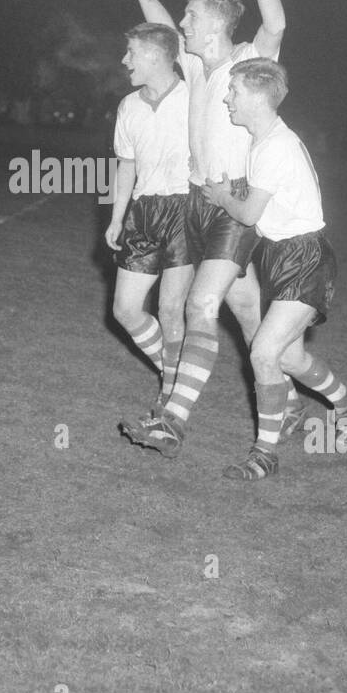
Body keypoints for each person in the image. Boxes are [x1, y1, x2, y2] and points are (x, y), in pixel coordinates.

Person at [118, 0, 300, 458]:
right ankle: (286, 402)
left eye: (191, 17)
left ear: (215, 25)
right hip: (197, 202)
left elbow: (276, 23)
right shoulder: (194, 64)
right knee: (245, 310)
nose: (182, 24)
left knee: (202, 307)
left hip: (232, 202)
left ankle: (172, 420)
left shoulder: (247, 60)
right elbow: (157, 22)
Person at [204, 58, 347, 481]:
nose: (227, 98)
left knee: (262, 351)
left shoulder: (276, 146)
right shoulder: (264, 139)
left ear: (258, 97)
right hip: (282, 257)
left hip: (305, 259)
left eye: (234, 91)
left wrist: (221, 196)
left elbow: (247, 214)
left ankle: (264, 453)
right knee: (290, 357)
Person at [105, 24, 194, 417]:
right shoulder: (129, 106)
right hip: (143, 212)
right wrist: (116, 217)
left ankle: (172, 396)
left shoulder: (195, 98)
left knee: (171, 309)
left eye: (132, 53)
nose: (125, 61)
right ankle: (176, 377)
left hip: (185, 210)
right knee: (124, 309)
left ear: (156, 56)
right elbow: (126, 164)